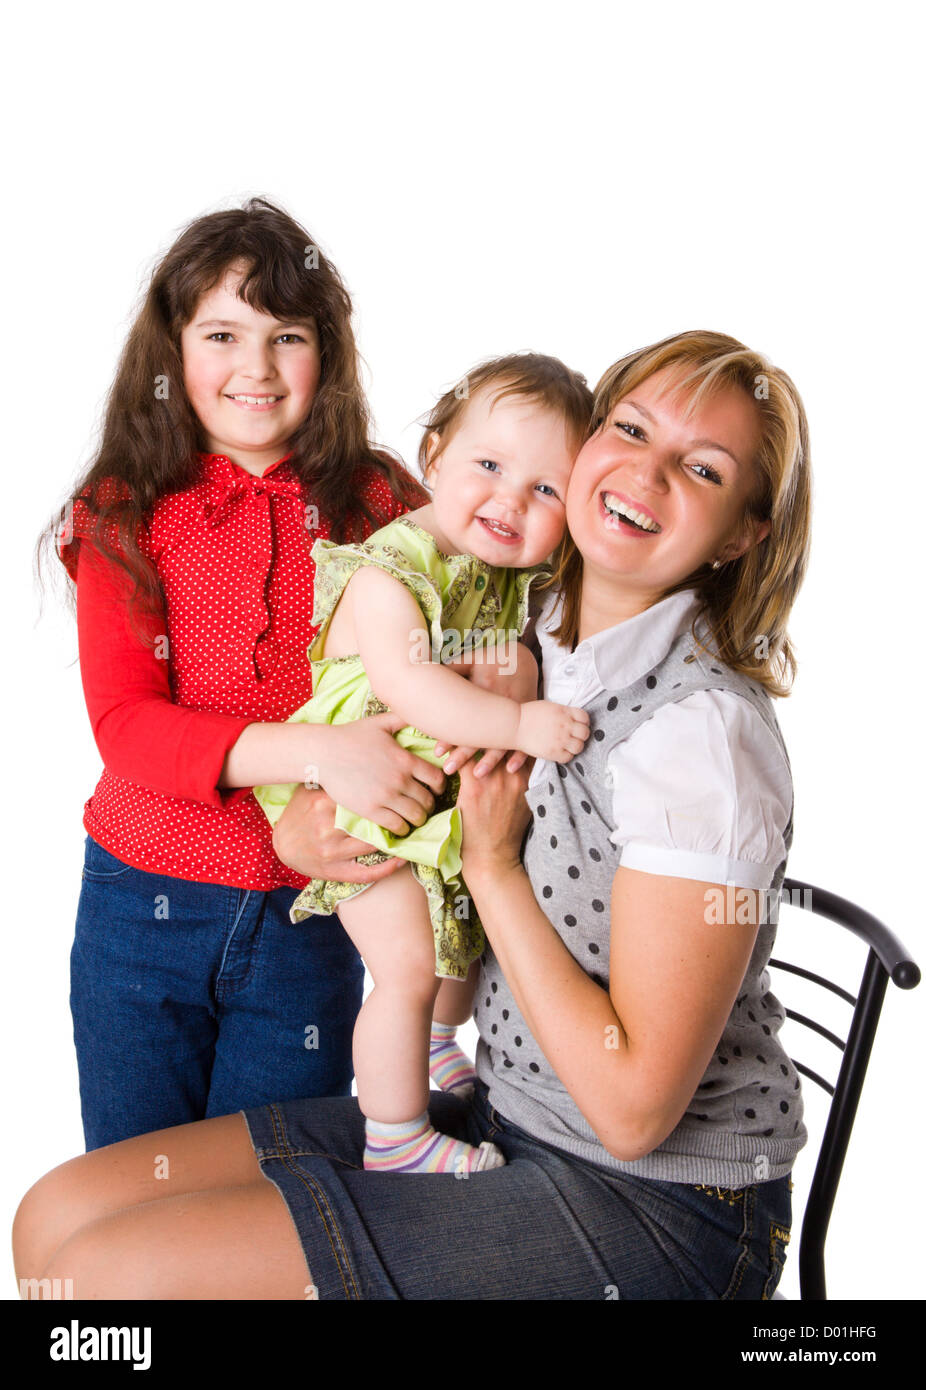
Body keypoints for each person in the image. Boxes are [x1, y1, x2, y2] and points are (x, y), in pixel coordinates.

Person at [14, 329, 812, 1300]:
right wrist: (307, 824)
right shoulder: (510, 616)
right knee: (55, 1215)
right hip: (510, 1115)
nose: (645, 473)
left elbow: (634, 1113)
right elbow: (375, 730)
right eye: (629, 428)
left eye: (700, 466)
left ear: (739, 533)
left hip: (655, 1203)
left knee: (109, 1280)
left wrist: (491, 867)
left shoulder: (700, 740)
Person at [42, 197, 448, 1150]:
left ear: (328, 357)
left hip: (313, 915)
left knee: (272, 1196)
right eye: (222, 334)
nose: (256, 369)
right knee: (132, 1190)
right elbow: (130, 729)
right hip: (140, 913)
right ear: (172, 352)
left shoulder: (377, 499)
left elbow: (464, 647)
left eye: (288, 336)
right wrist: (319, 754)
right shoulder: (125, 507)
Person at [253, 354, 593, 1174]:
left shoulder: (506, 577)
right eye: (489, 465)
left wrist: (511, 654)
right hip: (357, 803)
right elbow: (414, 683)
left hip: (425, 800)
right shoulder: (389, 568)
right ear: (433, 454)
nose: (511, 500)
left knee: (458, 942)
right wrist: (520, 717)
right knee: (404, 967)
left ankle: (439, 1043)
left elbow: (492, 649)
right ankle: (395, 1137)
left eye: (547, 489)